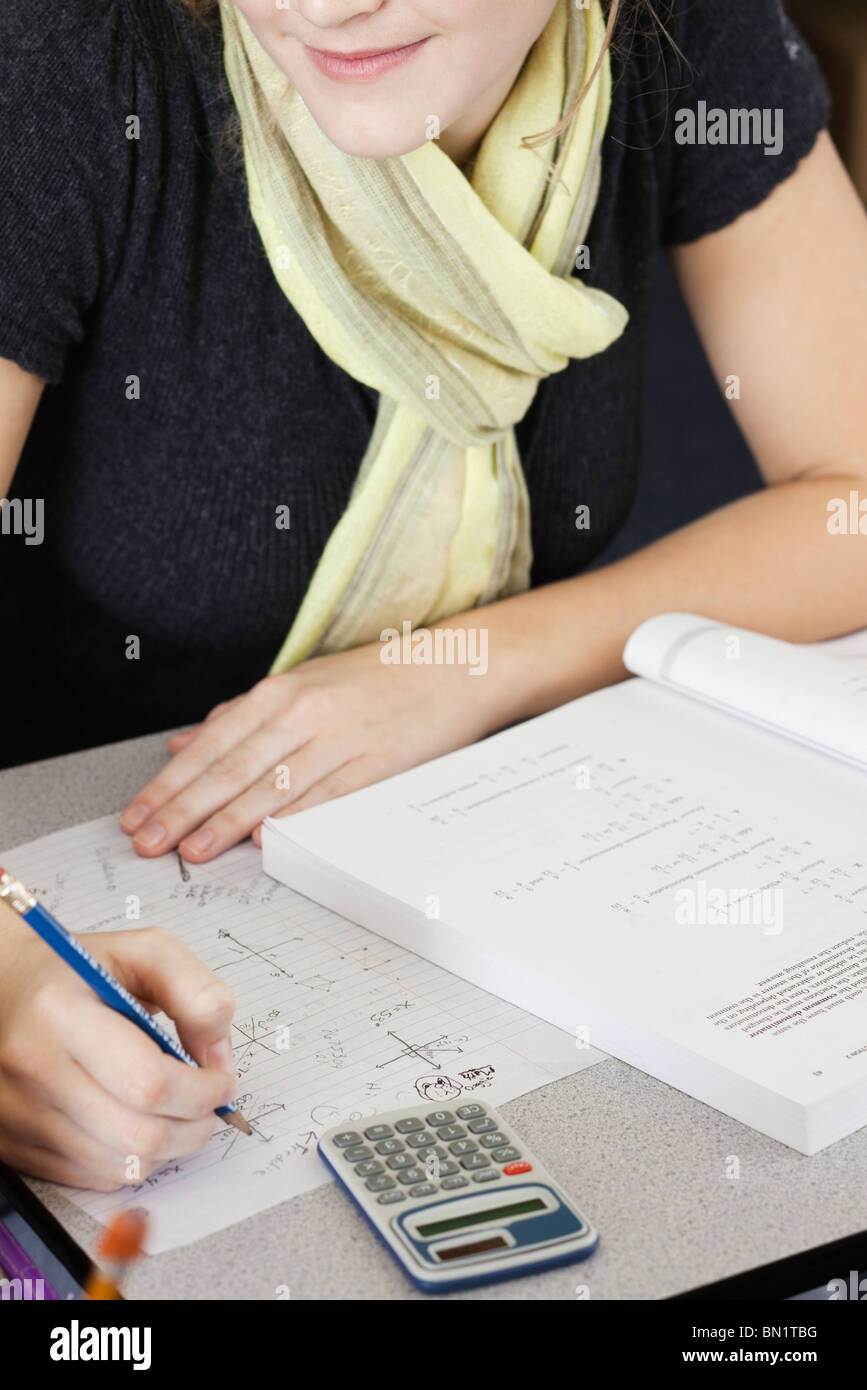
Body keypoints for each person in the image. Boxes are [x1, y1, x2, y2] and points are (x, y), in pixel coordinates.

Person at [0, 0, 865, 1190]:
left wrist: (467, 666)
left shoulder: (678, 30)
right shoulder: (62, 53)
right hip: (78, 871)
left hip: (464, 877)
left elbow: (856, 496)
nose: (319, 6)